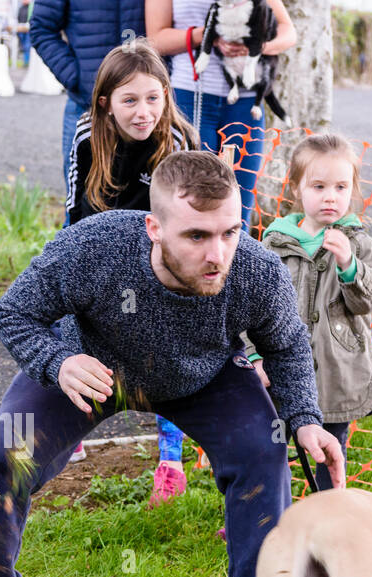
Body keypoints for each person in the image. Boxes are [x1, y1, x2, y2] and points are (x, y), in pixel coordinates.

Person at [0, 150, 344, 577]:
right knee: (5, 454)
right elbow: (14, 312)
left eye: (230, 232)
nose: (219, 254)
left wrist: (305, 418)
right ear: (154, 227)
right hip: (93, 372)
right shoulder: (95, 246)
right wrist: (57, 362)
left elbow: (285, 345)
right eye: (197, 236)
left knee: (264, 457)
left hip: (203, 375)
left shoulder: (255, 270)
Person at [63, 40, 199, 502]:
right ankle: (66, 426)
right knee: (70, 323)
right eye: (129, 100)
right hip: (101, 257)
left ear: (166, 95)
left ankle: (170, 460)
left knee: (168, 354)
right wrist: (75, 269)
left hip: (161, 262)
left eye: (153, 98)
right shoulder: (86, 136)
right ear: (105, 104)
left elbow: (190, 223)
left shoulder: (178, 142)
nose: (144, 112)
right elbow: (73, 214)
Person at [244, 133, 372, 490]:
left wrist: (349, 265)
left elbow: (370, 301)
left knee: (330, 450)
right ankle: (265, 514)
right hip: (279, 373)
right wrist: (254, 355)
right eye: (319, 185)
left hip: (337, 375)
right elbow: (250, 306)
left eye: (341, 187)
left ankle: (329, 519)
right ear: (296, 188)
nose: (331, 196)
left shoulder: (358, 243)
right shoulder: (273, 243)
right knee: (270, 448)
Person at [146, 0, 297, 229]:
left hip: (244, 102)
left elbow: (288, 31)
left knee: (239, 204)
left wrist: (256, 44)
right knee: (187, 199)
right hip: (190, 96)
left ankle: (235, 263)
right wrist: (209, 34)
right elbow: (155, 39)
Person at [29, 0, 147, 193]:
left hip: (145, 108)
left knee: (146, 203)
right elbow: (41, 28)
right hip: (87, 105)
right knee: (82, 199)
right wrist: (75, 76)